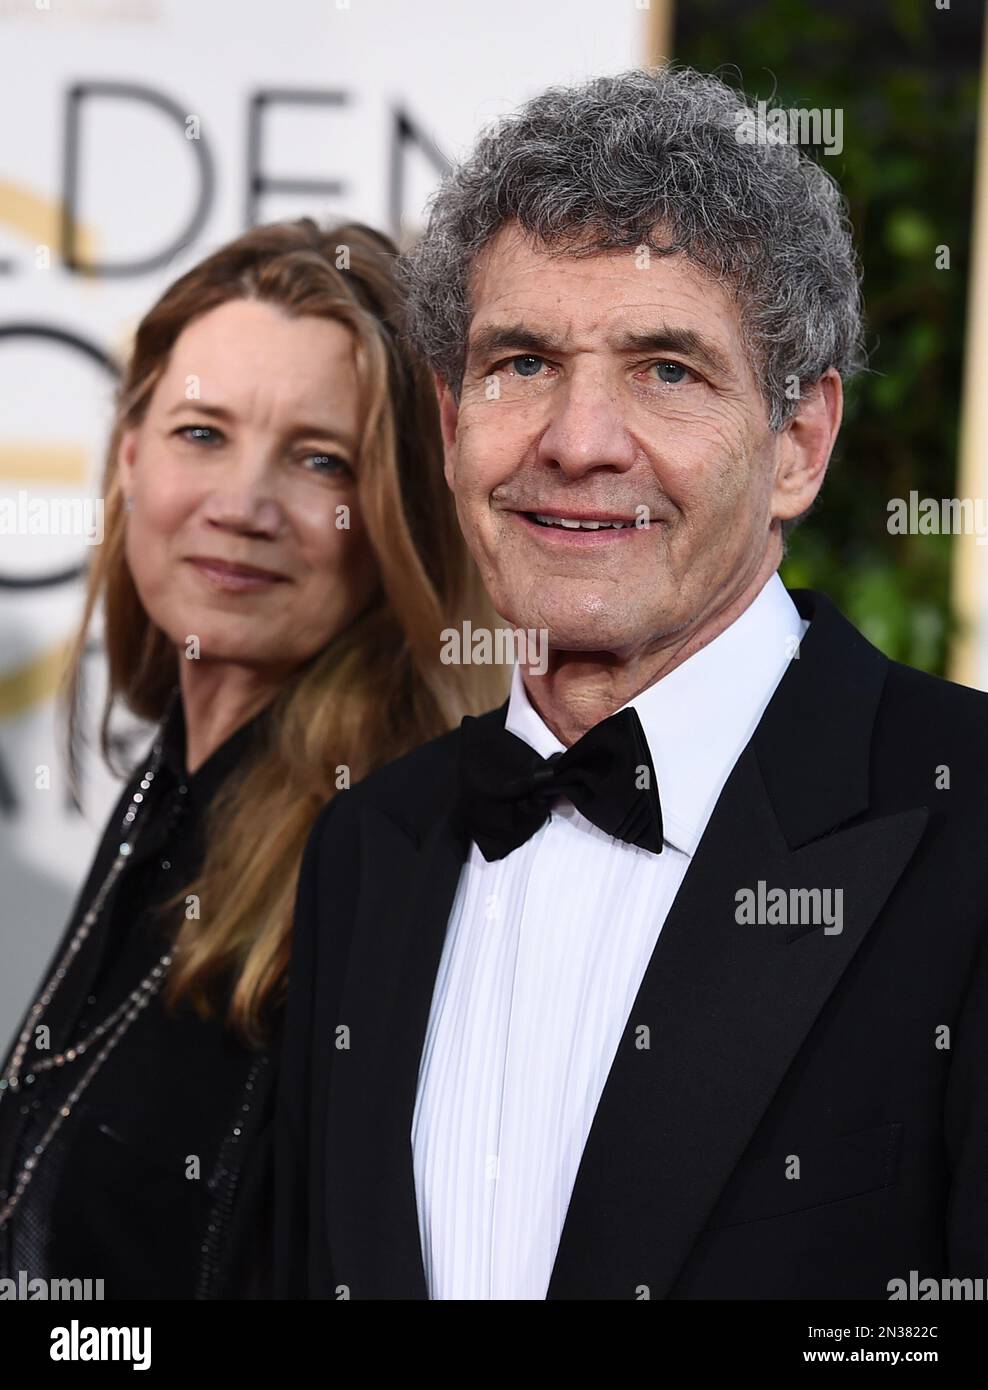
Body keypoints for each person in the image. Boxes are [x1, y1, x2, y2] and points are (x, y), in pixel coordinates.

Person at [275, 67, 988, 1301]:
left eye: (666, 368)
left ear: (798, 446)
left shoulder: (967, 821)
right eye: (521, 362)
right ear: (448, 424)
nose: (578, 439)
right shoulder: (366, 847)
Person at [0, 217, 504, 1299]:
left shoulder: (388, 870)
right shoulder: (170, 794)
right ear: (129, 457)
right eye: (201, 434)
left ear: (397, 515)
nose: (242, 507)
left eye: (320, 458)